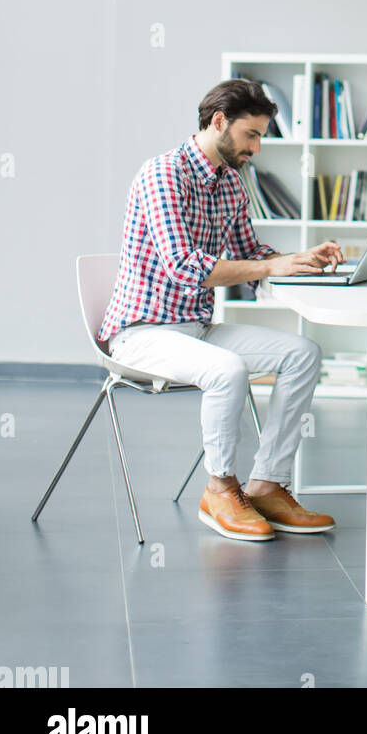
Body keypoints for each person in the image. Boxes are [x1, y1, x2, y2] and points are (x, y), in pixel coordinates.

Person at [99, 78, 342, 543]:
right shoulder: (163, 174)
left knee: (303, 354)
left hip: (197, 329)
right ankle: (219, 488)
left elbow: (251, 255)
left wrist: (302, 260)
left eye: (261, 137)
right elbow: (185, 267)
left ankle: (267, 484)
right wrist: (272, 264)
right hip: (140, 332)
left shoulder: (231, 183)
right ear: (218, 122)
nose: (256, 147)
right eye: (251, 135)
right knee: (228, 370)